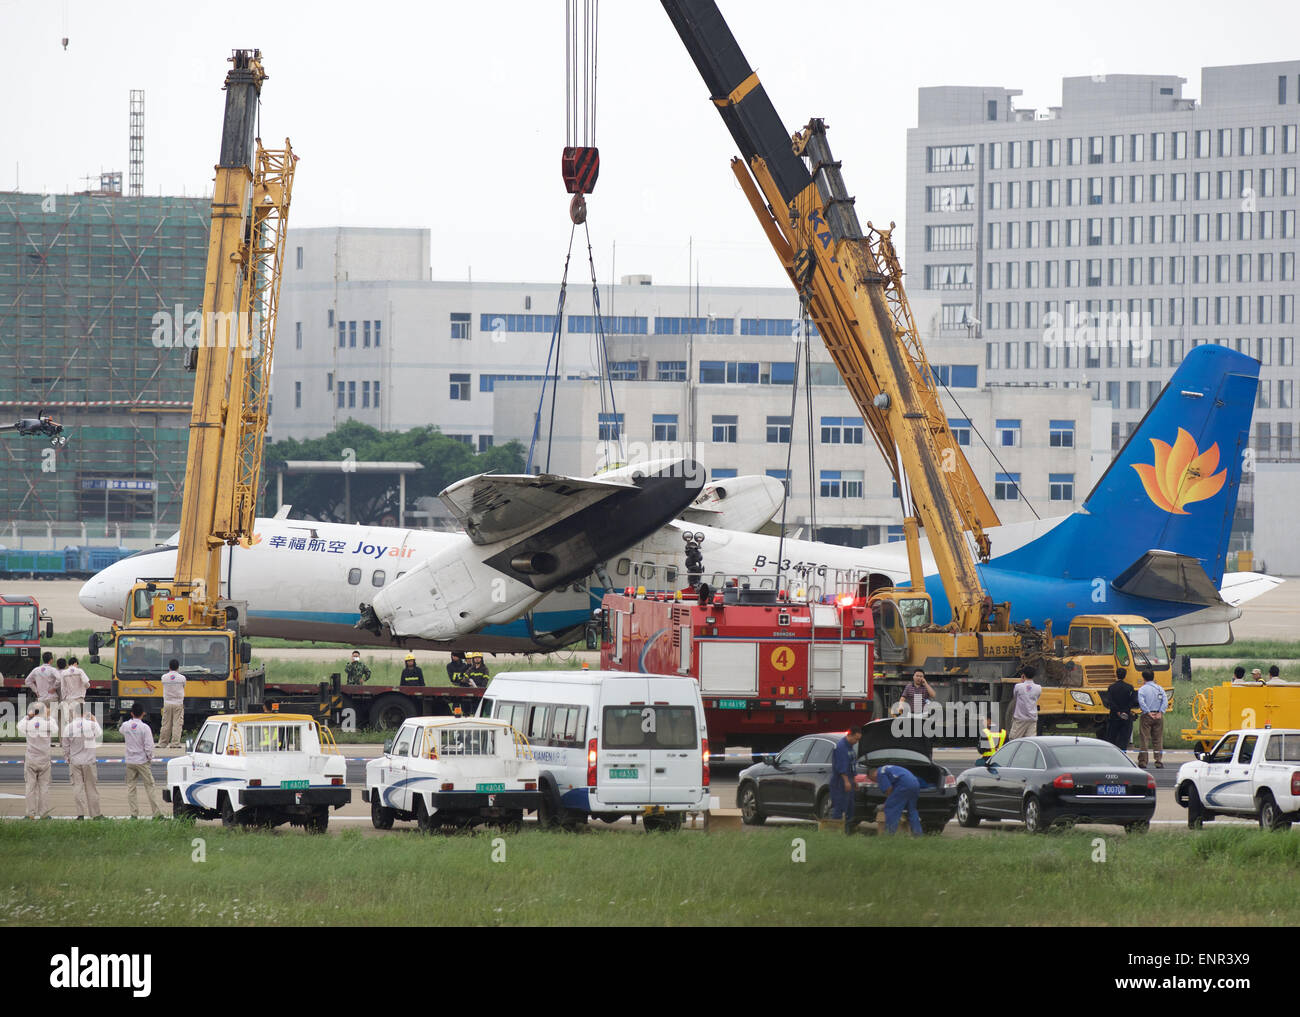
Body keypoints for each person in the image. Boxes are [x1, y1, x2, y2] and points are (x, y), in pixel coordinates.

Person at [120, 705, 163, 819]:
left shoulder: (125, 726)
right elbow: (149, 746)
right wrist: (149, 757)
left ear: (131, 713)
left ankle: (134, 814)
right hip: (142, 761)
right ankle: (157, 813)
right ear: (143, 713)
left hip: (130, 760)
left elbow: (121, 731)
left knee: (131, 787)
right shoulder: (145, 728)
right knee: (150, 786)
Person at [63, 705, 104, 819]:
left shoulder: (68, 727)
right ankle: (96, 814)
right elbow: (100, 734)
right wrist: (94, 720)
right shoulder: (92, 724)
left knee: (77, 788)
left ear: (74, 713)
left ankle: (80, 814)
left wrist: (68, 758)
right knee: (91, 788)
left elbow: (65, 746)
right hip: (89, 761)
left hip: (75, 761)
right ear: (85, 712)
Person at [17, 702, 56, 819]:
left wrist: (28, 716)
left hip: (31, 759)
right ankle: (44, 814)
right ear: (44, 711)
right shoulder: (48, 724)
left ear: (33, 711)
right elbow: (56, 728)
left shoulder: (28, 723)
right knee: (44, 787)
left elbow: (19, 726)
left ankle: (30, 814)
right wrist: (48, 716)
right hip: (44, 759)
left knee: (30, 787)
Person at [868, 763, 923, 836]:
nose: (876, 781)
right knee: (912, 810)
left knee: (891, 808)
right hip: (915, 784)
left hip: (904, 785)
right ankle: (918, 834)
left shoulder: (880, 773)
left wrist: (887, 803)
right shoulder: (888, 768)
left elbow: (888, 789)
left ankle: (889, 835)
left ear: (872, 775)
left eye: (873, 780)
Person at [829, 726, 862, 833]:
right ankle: (837, 831)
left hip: (850, 780)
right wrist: (846, 781)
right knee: (840, 807)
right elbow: (841, 766)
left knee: (850, 807)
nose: (856, 742)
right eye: (856, 739)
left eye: (858, 740)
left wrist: (854, 781)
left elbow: (851, 764)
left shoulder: (850, 747)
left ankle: (848, 831)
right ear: (850, 735)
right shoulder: (841, 747)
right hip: (840, 782)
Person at [1135, 669, 1168, 769]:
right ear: (1153, 677)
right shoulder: (1159, 688)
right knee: (1158, 739)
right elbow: (1165, 700)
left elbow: (1141, 702)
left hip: (1147, 716)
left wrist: (1148, 712)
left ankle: (1143, 761)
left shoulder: (1143, 689)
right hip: (1158, 716)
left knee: (1144, 738)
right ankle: (1158, 760)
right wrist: (1160, 712)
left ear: (1143, 678)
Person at [1104, 667, 1139, 751]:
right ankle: (1123, 753)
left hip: (1114, 715)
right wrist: (1125, 711)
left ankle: (1112, 753)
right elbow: (1133, 701)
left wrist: (1118, 711)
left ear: (1116, 675)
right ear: (1125, 675)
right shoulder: (1129, 687)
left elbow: (1110, 701)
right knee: (1124, 737)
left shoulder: (1111, 687)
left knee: (1112, 736)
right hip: (1126, 716)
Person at [1008, 665, 1040, 741]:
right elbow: (1037, 697)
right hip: (1032, 718)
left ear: (1023, 675)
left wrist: (1023, 682)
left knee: (1014, 740)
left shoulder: (1018, 687)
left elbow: (1015, 697)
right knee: (1031, 741)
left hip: (1020, 718)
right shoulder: (1038, 687)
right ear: (1034, 676)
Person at [159, 659, 186, 749]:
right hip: (178, 703)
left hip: (167, 703)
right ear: (178, 667)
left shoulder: (164, 677)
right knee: (177, 724)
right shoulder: (182, 678)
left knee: (166, 723)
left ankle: (162, 743)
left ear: (169, 667)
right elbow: (183, 686)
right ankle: (175, 743)